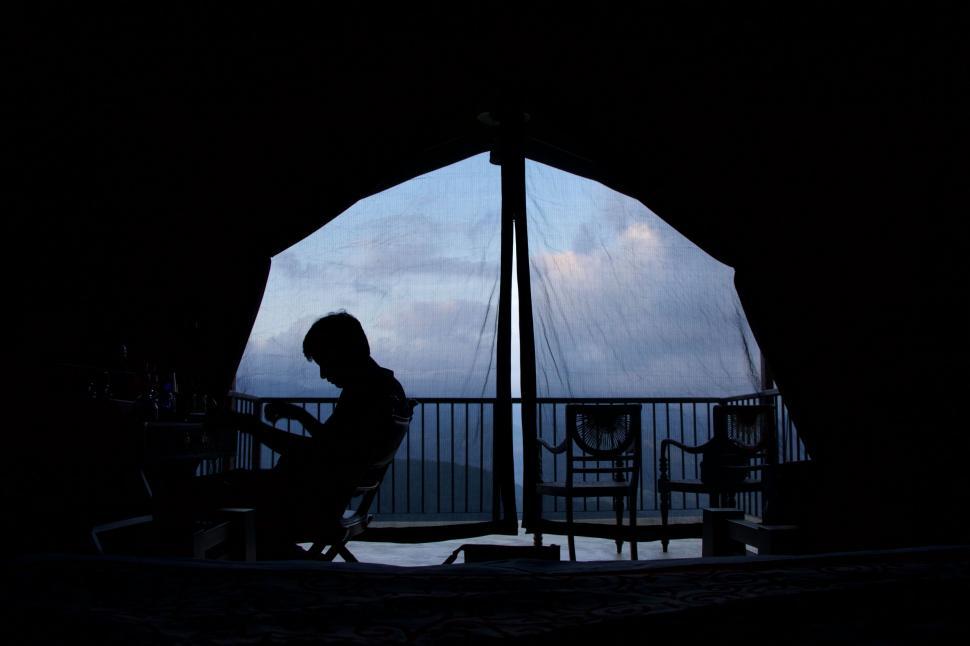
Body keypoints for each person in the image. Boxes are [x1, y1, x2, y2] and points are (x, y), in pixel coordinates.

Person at [186, 312, 409, 559]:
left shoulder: (365, 394)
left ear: (346, 351)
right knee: (223, 485)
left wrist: (249, 425)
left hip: (301, 501)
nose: (324, 373)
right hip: (325, 497)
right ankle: (271, 553)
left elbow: (319, 454)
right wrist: (299, 415)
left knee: (199, 492)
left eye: (326, 361)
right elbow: (334, 447)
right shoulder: (384, 388)